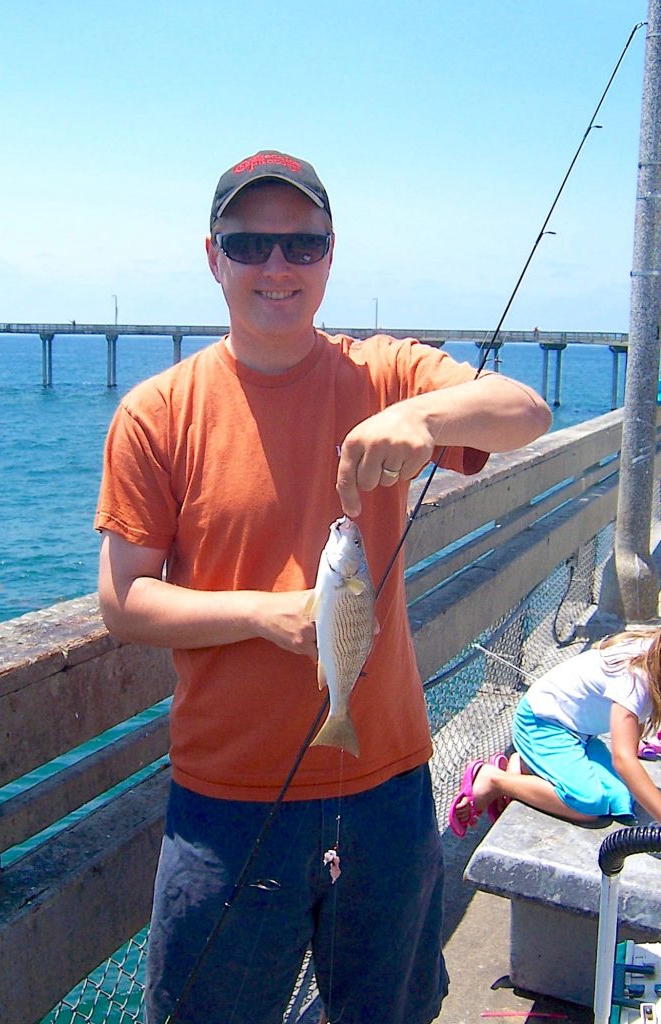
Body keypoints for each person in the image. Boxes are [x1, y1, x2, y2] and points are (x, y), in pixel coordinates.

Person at [95, 149, 552, 1024]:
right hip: (225, 805)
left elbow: (528, 413)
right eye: (249, 243)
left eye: (302, 246)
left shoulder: (383, 375)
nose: (277, 267)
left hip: (384, 786)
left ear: (331, 255)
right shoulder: (157, 413)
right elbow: (123, 601)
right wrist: (262, 615)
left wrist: (423, 415)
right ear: (212, 256)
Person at [449, 627, 661, 837]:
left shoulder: (652, 653)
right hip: (542, 723)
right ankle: (495, 780)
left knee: (620, 799)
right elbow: (623, 759)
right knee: (588, 803)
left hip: (580, 732)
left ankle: (525, 767)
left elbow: (634, 724)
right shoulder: (635, 679)